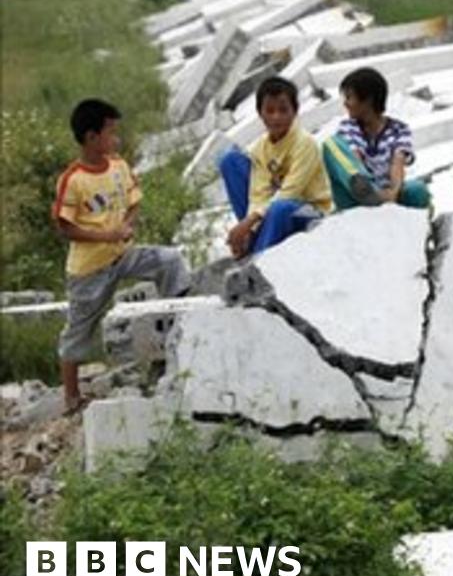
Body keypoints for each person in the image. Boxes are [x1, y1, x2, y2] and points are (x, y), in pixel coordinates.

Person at [52, 99, 190, 414]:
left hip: (123, 254)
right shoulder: (73, 179)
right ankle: (71, 398)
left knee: (169, 261)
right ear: (91, 137)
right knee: (79, 329)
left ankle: (176, 329)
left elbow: (133, 199)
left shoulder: (118, 166)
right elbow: (65, 227)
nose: (116, 139)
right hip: (89, 269)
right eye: (111, 132)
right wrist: (105, 236)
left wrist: (127, 224)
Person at [217, 77, 332, 258]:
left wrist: (250, 221)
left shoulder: (305, 143)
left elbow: (290, 192)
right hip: (271, 212)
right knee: (230, 160)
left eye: (283, 110)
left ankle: (258, 260)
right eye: (269, 111)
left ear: (295, 111)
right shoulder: (261, 147)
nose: (276, 117)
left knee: (281, 207)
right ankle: (253, 238)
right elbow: (258, 193)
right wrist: (249, 228)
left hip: (306, 211)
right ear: (260, 113)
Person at [321, 67, 430, 210]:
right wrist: (370, 191)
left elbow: (397, 163)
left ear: (367, 100)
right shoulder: (347, 127)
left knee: (418, 189)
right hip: (356, 198)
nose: (345, 104)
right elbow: (355, 158)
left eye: (349, 97)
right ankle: (369, 194)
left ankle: (377, 199)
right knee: (331, 144)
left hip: (386, 193)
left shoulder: (399, 130)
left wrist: (392, 194)